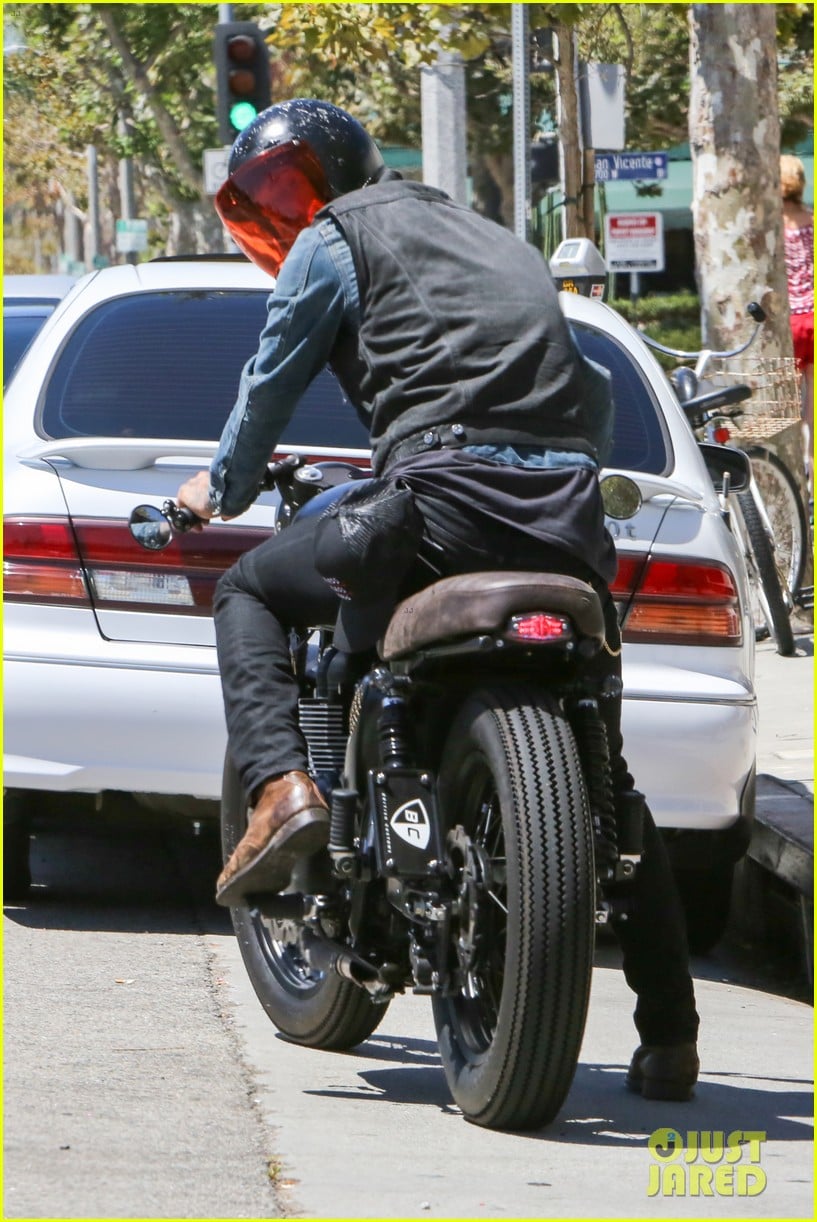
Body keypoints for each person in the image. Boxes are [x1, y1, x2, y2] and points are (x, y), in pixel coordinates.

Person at [177, 99, 699, 1100]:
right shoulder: (500, 242)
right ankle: (670, 1036)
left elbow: (269, 384)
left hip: (437, 507)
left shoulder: (332, 244)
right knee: (606, 779)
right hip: (563, 520)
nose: (284, 211)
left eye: (288, 185)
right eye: (265, 199)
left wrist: (216, 488)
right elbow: (580, 386)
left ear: (333, 171)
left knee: (249, 584)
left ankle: (283, 787)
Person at [780, 153, 814, 493]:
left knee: (788, 408)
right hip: (814, 318)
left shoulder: (770, 224)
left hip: (788, 322)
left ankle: (794, 480)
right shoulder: (812, 221)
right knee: (812, 408)